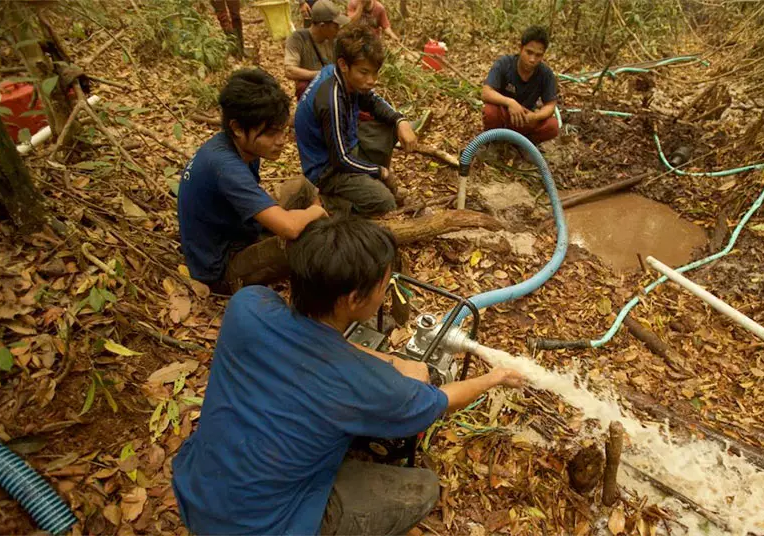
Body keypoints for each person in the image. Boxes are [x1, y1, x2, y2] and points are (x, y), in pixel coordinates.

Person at [171, 216, 526, 535]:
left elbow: (314, 349)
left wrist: (391, 362)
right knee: (422, 488)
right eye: (385, 285)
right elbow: (440, 401)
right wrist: (494, 378)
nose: (387, 292)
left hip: (197, 491)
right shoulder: (363, 386)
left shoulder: (248, 306)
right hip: (263, 527)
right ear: (354, 299)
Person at [177, 69, 327, 295]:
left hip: (238, 232)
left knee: (302, 187)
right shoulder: (225, 165)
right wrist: (315, 211)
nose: (281, 142)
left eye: (283, 131)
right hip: (222, 268)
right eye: (270, 134)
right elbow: (289, 228)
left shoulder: (240, 148)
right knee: (302, 238)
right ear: (237, 128)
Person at [294, 24, 418, 216]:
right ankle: (329, 203)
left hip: (347, 144)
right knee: (384, 203)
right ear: (344, 65)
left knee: (392, 124)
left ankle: (367, 184)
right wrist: (380, 172)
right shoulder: (331, 100)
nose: (372, 80)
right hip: (327, 170)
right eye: (364, 72)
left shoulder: (343, 76)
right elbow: (340, 159)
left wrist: (400, 120)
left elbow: (373, 101)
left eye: (375, 72)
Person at [481, 26, 560, 145]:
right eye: (529, 52)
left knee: (553, 126)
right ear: (521, 48)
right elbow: (486, 92)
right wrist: (510, 103)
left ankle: (526, 146)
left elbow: (550, 104)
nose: (532, 59)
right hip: (504, 116)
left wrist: (536, 116)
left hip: (526, 119)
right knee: (490, 111)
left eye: (538, 55)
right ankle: (494, 142)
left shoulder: (546, 74)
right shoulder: (504, 64)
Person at [285, 0, 348, 99]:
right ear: (322, 26)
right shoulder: (298, 39)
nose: (338, 30)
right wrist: (320, 75)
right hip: (312, 91)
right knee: (303, 86)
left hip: (335, 88)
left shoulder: (334, 40)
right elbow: (289, 71)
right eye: (335, 26)